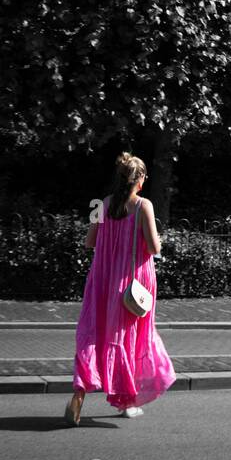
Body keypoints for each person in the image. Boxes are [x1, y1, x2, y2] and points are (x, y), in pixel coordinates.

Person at [64, 152, 176, 425]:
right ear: (139, 180)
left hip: (102, 281)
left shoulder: (102, 204)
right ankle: (126, 402)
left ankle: (80, 391)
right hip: (132, 284)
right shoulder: (143, 206)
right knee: (130, 338)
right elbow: (153, 247)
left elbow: (89, 242)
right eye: (145, 177)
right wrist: (159, 241)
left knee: (94, 335)